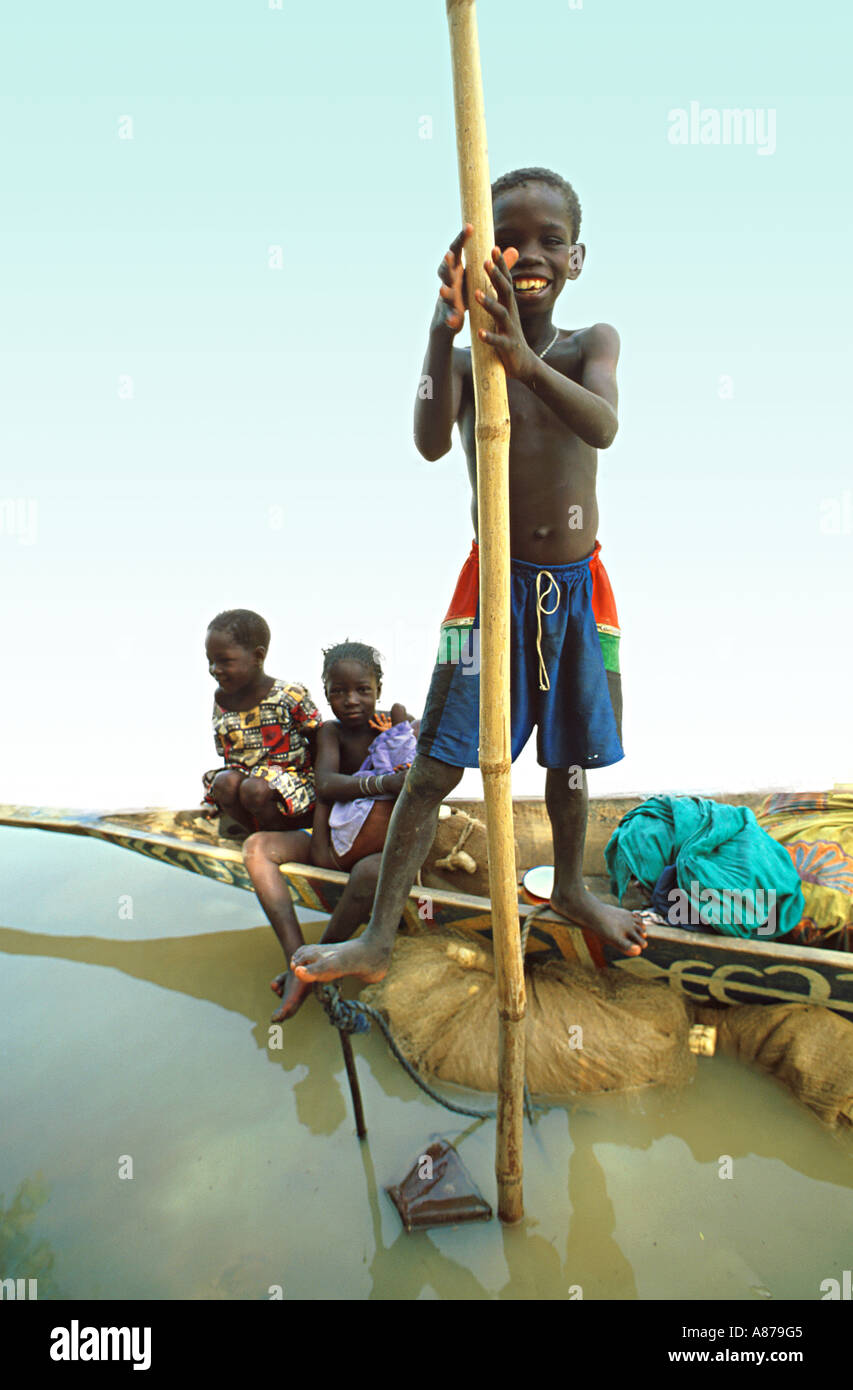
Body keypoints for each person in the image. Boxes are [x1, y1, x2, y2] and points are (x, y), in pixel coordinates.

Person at [292, 167, 648, 989]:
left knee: (568, 756)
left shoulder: (589, 341)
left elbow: (601, 425)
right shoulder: (461, 366)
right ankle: (377, 939)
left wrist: (523, 362)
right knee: (435, 767)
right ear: (482, 257)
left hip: (574, 588)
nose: (528, 254)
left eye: (548, 241)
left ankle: (566, 887)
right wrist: (436, 329)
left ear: (577, 257)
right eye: (508, 240)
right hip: (492, 589)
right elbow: (425, 438)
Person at [243, 641, 415, 1021]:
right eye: (338, 692)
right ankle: (295, 956)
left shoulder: (397, 729)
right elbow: (326, 786)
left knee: (371, 873)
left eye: (362, 690)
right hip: (330, 840)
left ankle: (316, 961)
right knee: (257, 848)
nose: (351, 700)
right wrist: (382, 784)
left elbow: (419, 780)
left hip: (372, 849)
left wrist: (401, 753)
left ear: (378, 690)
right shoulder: (331, 733)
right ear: (326, 694)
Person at [203, 609, 321, 834]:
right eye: (210, 661)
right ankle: (256, 831)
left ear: (258, 657)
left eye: (225, 661)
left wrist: (325, 790)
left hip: (292, 782)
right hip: (248, 781)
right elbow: (227, 753)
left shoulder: (288, 695)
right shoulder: (222, 703)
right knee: (223, 783)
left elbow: (319, 737)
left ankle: (283, 835)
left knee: (254, 789)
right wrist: (217, 799)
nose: (214, 670)